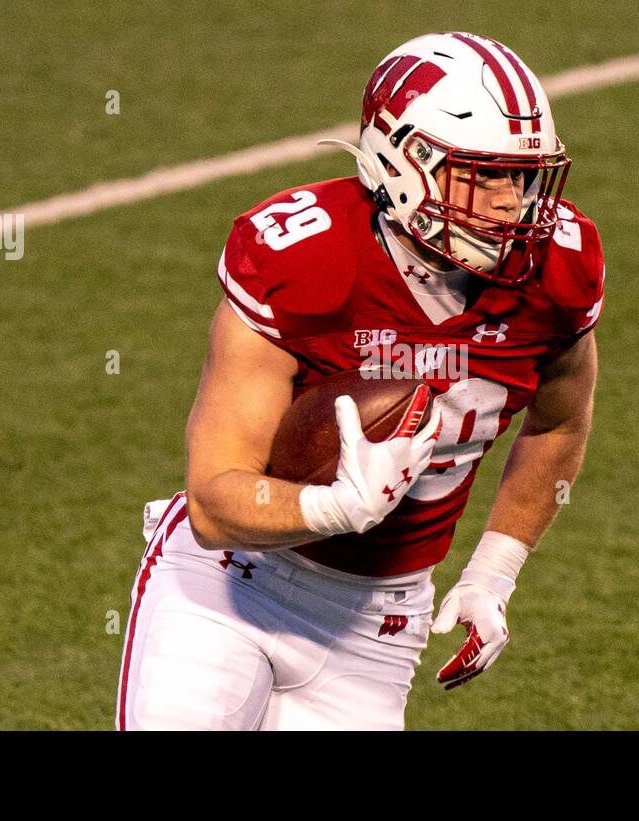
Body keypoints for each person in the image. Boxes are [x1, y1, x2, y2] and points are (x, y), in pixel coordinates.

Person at [116, 31, 605, 730]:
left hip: (379, 621)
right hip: (229, 583)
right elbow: (214, 498)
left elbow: (559, 420)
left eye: (523, 176)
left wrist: (495, 569)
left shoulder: (558, 267)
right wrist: (334, 508)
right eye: (485, 173)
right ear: (404, 162)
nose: (511, 203)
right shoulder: (305, 257)